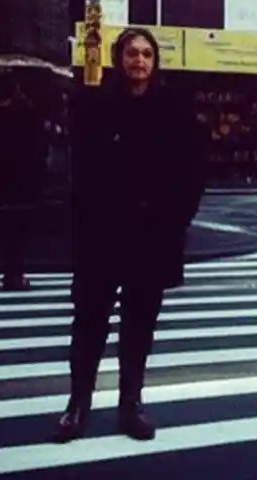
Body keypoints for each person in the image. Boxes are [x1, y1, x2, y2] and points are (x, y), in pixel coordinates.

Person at [52, 27, 208, 443]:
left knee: (139, 326)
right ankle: (77, 404)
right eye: (131, 53)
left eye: (146, 54)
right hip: (101, 235)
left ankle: (131, 405)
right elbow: (80, 170)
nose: (139, 61)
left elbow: (193, 171)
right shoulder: (93, 105)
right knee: (89, 324)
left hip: (150, 237)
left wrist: (176, 219)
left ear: (154, 62)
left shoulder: (174, 109)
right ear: (119, 59)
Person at [0, 74, 47, 291]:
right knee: (18, 231)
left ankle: (10, 272)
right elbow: (39, 148)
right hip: (22, 179)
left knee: (6, 230)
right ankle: (15, 274)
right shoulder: (27, 113)